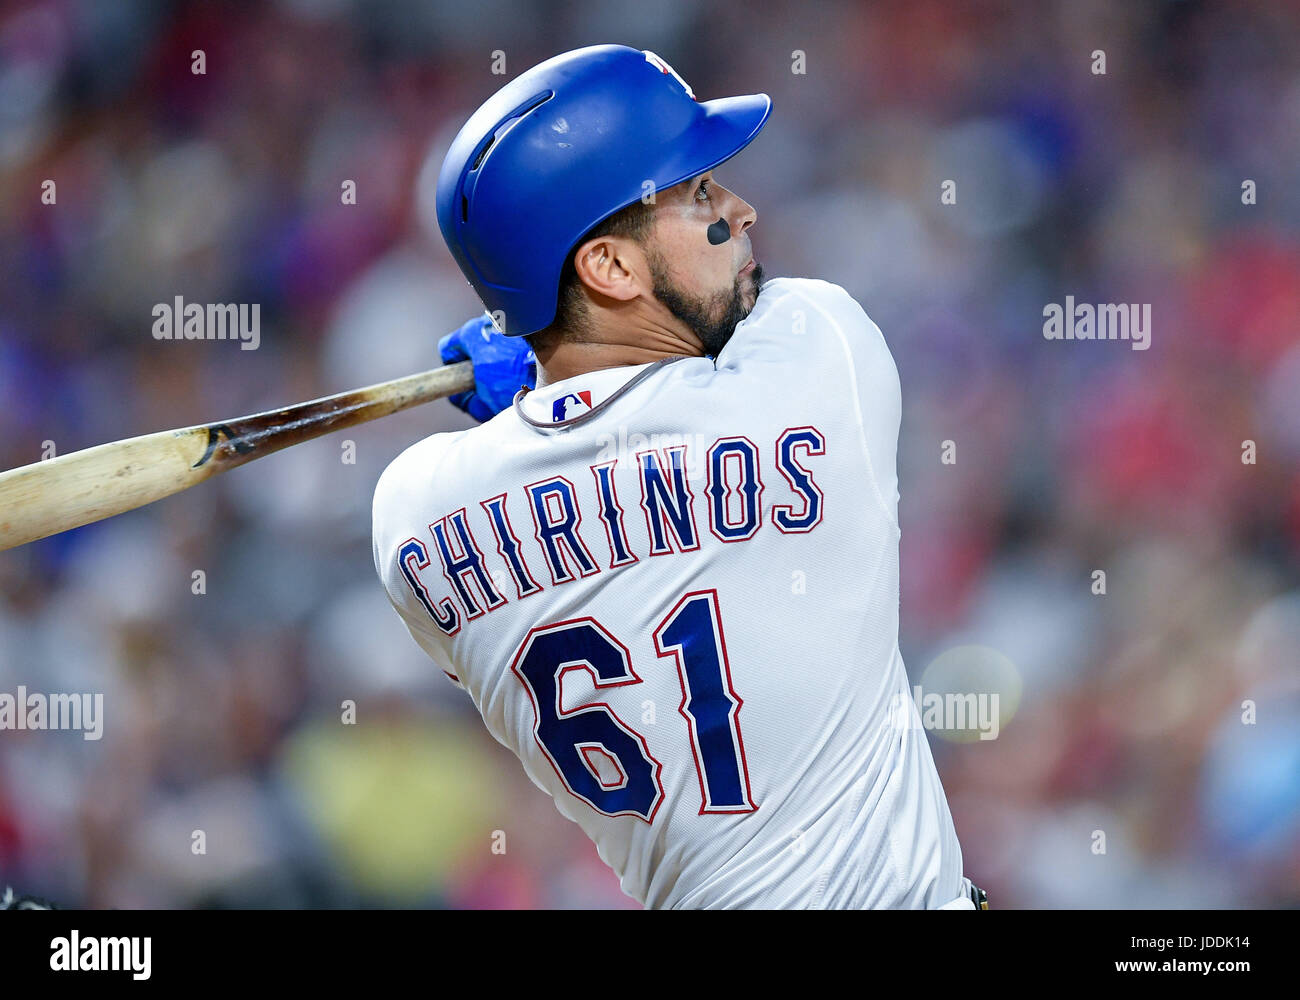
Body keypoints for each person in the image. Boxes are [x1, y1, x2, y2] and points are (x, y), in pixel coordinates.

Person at [372, 44, 984, 909]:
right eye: (697, 194)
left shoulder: (412, 513)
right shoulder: (822, 347)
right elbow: (707, 359)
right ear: (610, 269)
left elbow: (578, 469)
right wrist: (540, 382)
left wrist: (534, 395)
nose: (741, 209)